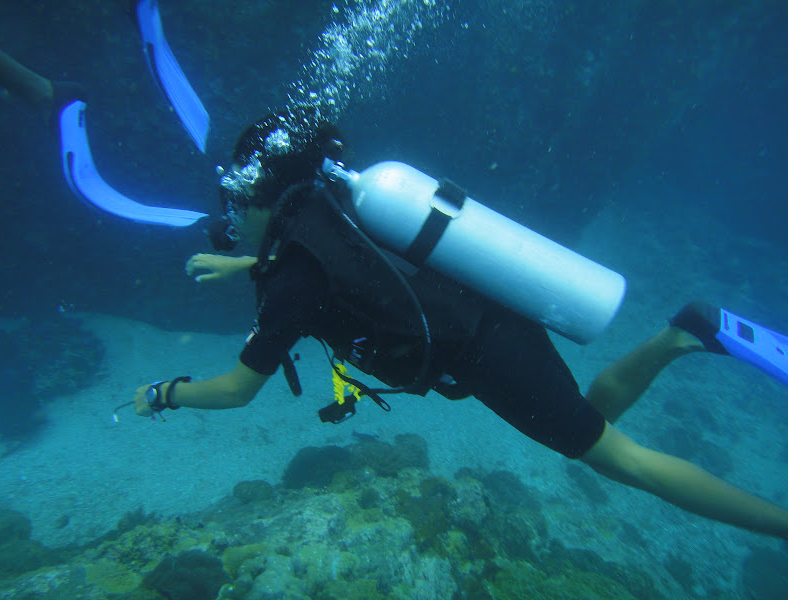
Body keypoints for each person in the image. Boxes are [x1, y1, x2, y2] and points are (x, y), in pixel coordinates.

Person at [130, 112, 787, 541]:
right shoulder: (333, 204)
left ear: (263, 196)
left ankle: (779, 520)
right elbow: (333, 268)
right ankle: (684, 335)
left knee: (625, 462)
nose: (230, 217)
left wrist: (167, 393)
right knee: (587, 423)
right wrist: (249, 261)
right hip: (490, 311)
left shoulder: (290, 277)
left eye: (235, 203)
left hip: (483, 353)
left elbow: (238, 388)